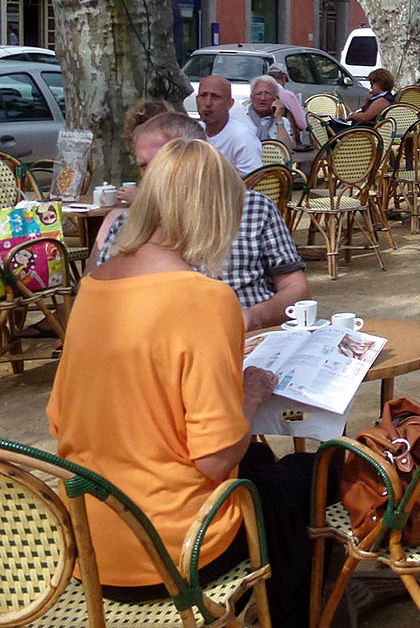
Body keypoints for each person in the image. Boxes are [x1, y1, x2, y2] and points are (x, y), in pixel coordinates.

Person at [49, 138, 317, 628]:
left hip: (92, 544)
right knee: (312, 475)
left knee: (265, 468)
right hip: (179, 551)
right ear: (217, 213)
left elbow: (59, 415)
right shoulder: (203, 299)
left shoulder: (92, 287)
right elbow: (214, 460)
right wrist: (251, 390)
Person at [90, 113, 310, 331]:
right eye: (143, 166)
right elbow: (103, 308)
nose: (150, 177)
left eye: (161, 164)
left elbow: (296, 288)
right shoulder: (131, 225)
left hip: (253, 339)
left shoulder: (251, 208)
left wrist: (253, 318)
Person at [195, 75, 261, 174]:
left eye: (215, 97)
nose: (208, 103)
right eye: (203, 96)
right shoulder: (193, 132)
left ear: (230, 104)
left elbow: (252, 183)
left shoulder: (243, 138)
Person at [236, 75, 298, 148]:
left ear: (276, 98)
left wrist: (278, 119)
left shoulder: (283, 122)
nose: (263, 98)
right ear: (251, 97)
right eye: (259, 94)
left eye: (268, 93)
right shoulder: (237, 117)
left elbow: (287, 150)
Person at [266, 65, 308, 137]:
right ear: (283, 79)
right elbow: (302, 124)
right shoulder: (287, 95)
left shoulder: (258, 94)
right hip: (284, 138)